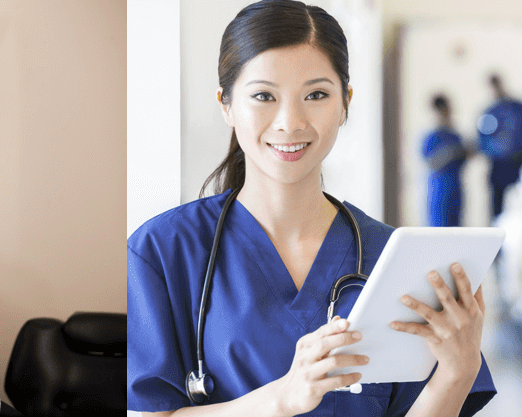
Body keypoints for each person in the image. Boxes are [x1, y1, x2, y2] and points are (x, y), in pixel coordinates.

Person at [126, 2, 494, 415]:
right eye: (264, 95)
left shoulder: (393, 258)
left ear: (345, 104)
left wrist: (457, 374)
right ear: (226, 104)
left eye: (316, 94)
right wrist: (282, 398)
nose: (290, 121)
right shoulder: (163, 250)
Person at [477, 74, 522, 218]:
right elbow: (482, 141)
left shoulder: (520, 109)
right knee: (497, 210)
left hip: (518, 164)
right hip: (498, 167)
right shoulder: (489, 113)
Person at [426, 93, 470, 227]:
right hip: (439, 192)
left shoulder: (455, 136)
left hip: (455, 190)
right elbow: (432, 163)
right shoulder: (432, 137)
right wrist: (452, 152)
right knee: (439, 232)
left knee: (456, 231)